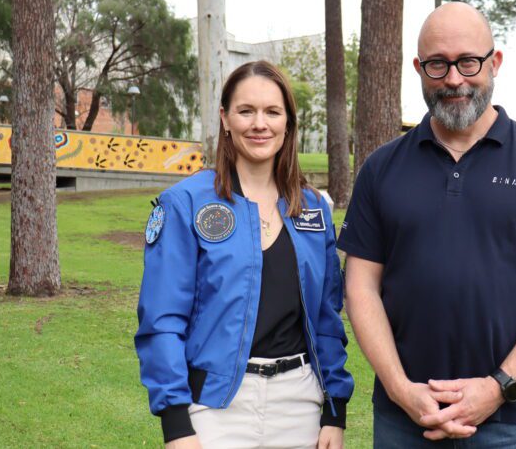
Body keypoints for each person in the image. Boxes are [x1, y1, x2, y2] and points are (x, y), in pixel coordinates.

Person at [338, 2, 516, 448]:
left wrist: (498, 386)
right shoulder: (381, 168)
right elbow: (360, 288)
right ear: (419, 69)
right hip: (405, 422)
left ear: (494, 62)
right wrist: (401, 390)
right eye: (437, 64)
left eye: (468, 61)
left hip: (514, 424)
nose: (454, 79)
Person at [135, 61, 353, 449]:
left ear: (288, 123)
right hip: (215, 409)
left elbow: (326, 320)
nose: (259, 124)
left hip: (300, 405)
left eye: (272, 111)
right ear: (225, 118)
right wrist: (176, 424)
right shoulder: (185, 203)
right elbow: (163, 321)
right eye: (246, 111)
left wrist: (334, 411)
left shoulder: (313, 209)